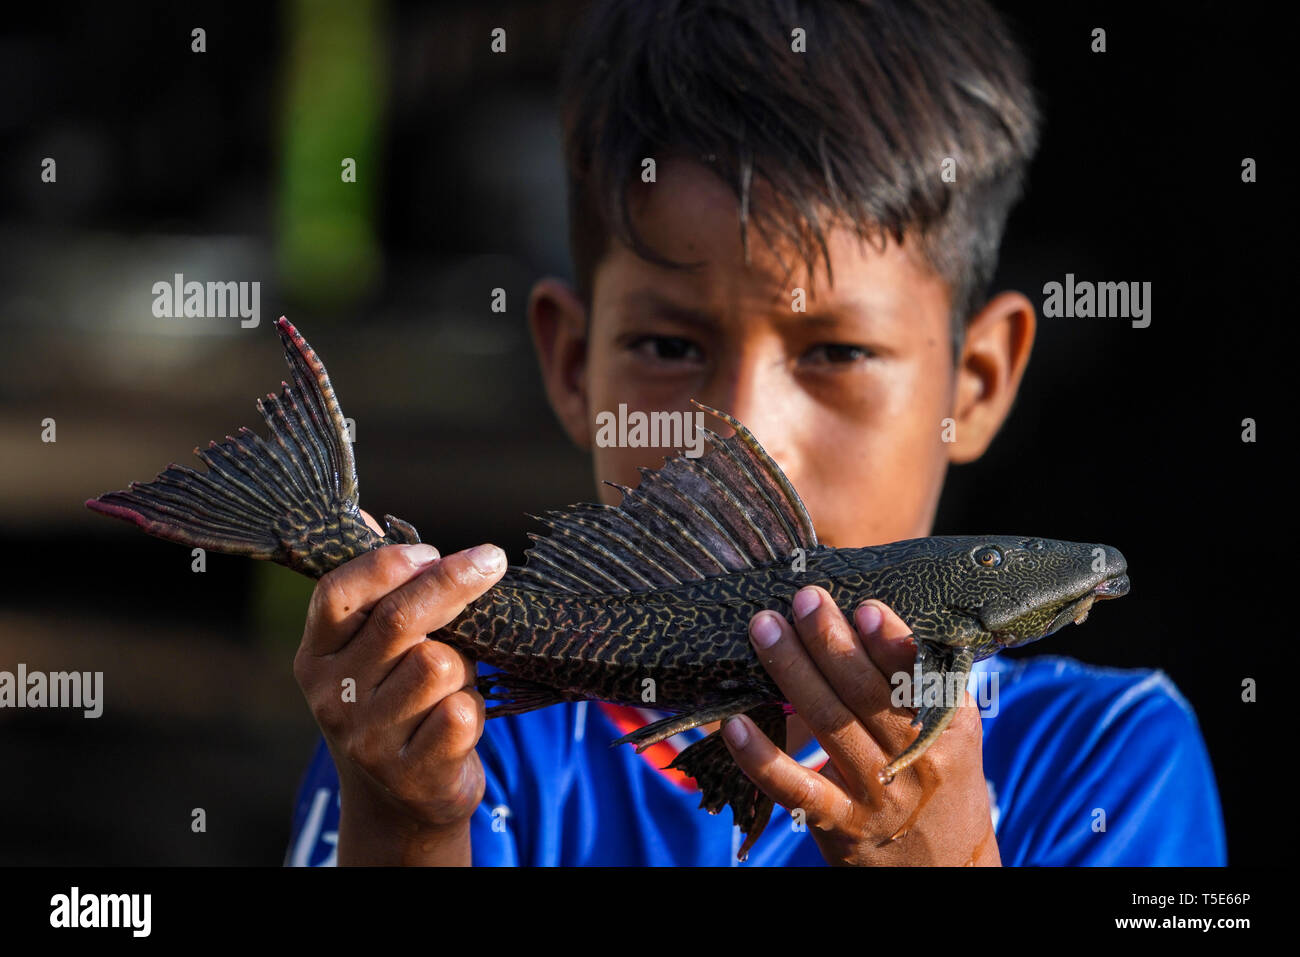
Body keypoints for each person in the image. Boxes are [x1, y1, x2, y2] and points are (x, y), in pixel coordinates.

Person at [285, 0, 1225, 866]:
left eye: (836, 352)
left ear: (975, 384)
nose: (743, 426)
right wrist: (406, 823)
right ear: (572, 364)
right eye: (667, 343)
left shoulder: (1111, 758)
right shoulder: (444, 731)